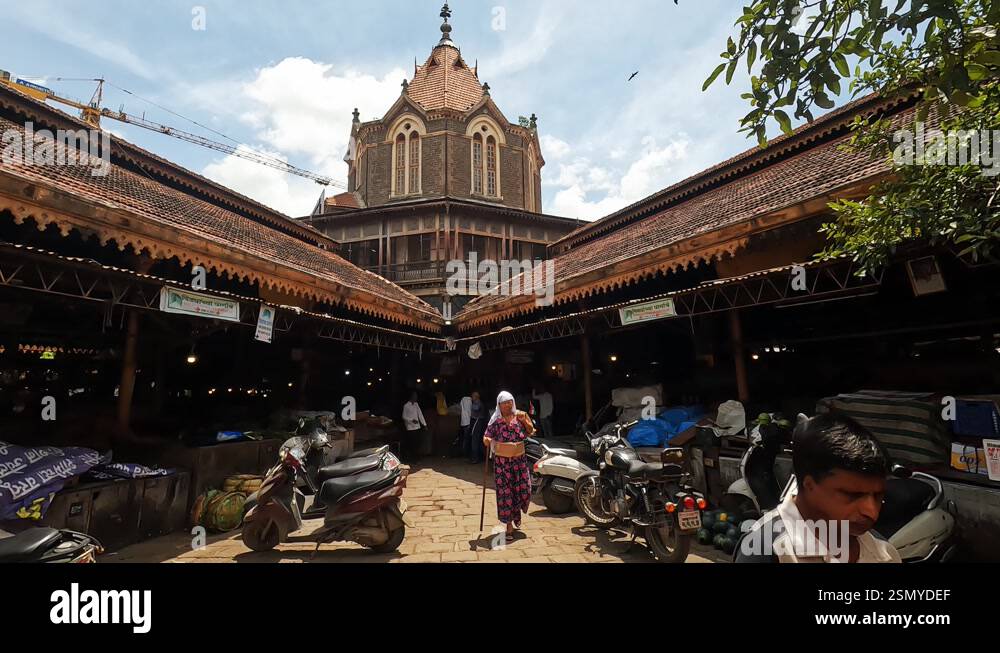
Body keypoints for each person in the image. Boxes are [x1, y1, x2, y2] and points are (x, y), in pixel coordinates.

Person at [736, 413, 902, 563]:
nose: (871, 512)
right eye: (852, 495)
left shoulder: (883, 553)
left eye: (878, 496)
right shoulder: (763, 550)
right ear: (810, 486)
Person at [482, 391, 535, 543]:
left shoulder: (519, 417)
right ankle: (509, 526)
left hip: (520, 462)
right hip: (502, 465)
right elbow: (487, 435)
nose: (507, 404)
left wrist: (526, 419)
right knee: (506, 495)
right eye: (504, 402)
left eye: (509, 401)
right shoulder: (496, 421)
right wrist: (486, 439)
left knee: (524, 490)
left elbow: (530, 431)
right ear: (499, 405)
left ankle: (517, 516)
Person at [402, 392, 428, 460]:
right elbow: (404, 416)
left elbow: (420, 414)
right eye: (415, 396)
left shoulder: (416, 404)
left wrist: (424, 424)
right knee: (412, 443)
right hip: (410, 427)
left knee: (417, 442)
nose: (416, 397)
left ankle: (416, 457)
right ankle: (412, 458)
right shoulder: (406, 405)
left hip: (417, 426)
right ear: (411, 397)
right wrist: (411, 420)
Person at [468, 391, 486, 464]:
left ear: (476, 397)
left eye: (472, 396)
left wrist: (469, 405)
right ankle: (479, 457)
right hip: (479, 422)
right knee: (478, 440)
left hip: (477, 422)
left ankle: (475, 458)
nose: (471, 398)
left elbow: (475, 409)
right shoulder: (479, 403)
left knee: (475, 441)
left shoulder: (477, 403)